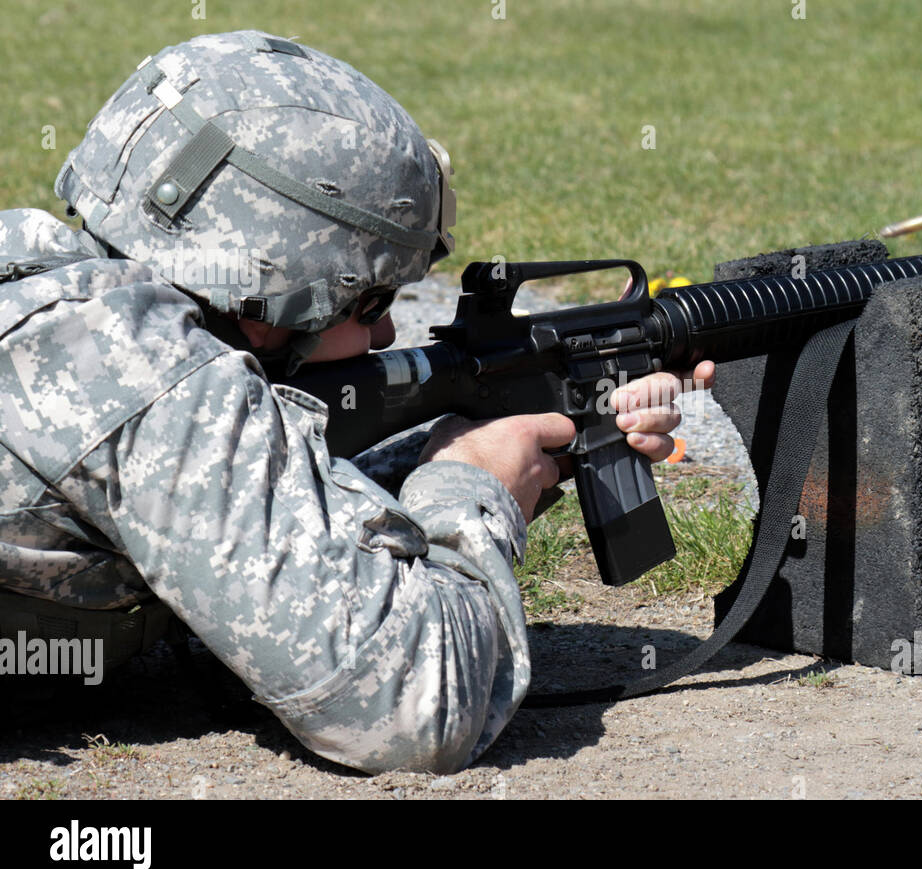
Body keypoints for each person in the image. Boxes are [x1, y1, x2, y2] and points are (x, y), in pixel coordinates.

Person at [0, 30, 712, 774]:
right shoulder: (143, 373)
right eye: (369, 299)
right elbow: (410, 705)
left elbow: (245, 510)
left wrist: (479, 440)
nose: (385, 331)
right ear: (269, 296)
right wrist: (472, 487)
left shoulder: (72, 311)